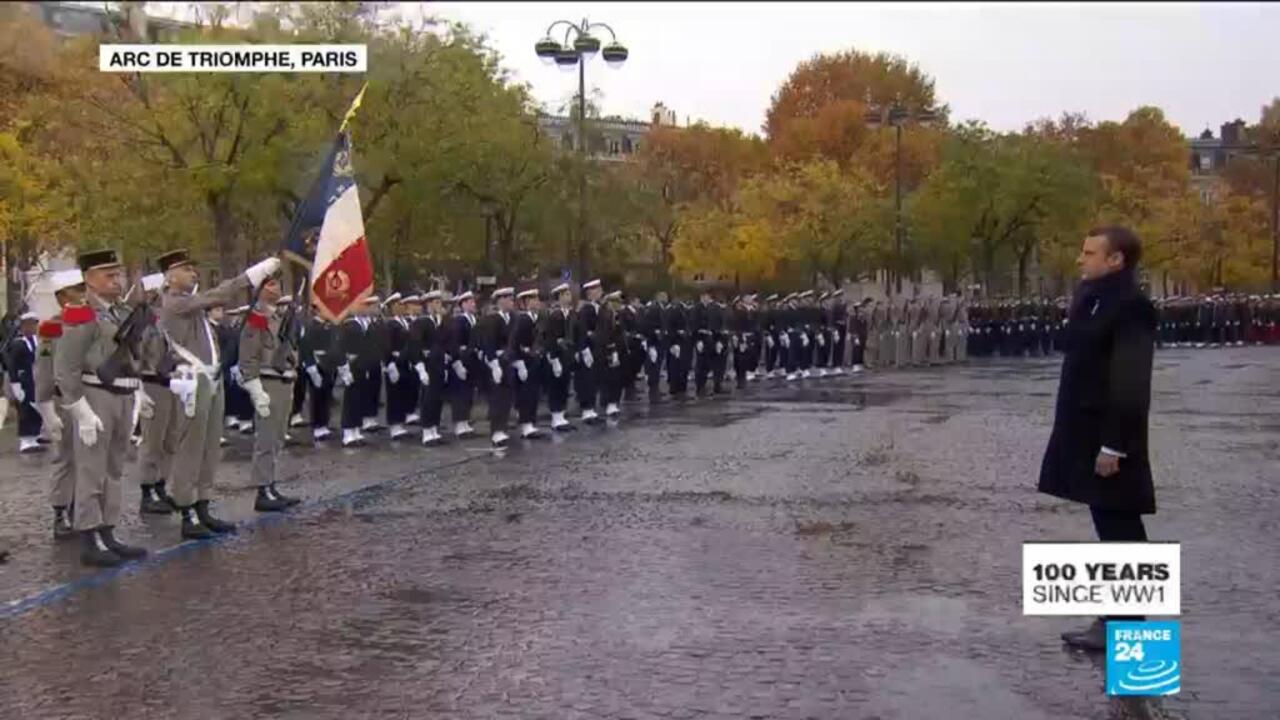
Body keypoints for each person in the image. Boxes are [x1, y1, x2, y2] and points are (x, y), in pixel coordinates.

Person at [1039, 226, 1157, 652]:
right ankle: (1116, 620)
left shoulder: (1130, 307)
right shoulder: (1094, 300)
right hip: (1088, 433)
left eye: (1090, 253)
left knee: (1121, 527)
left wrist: (1115, 445)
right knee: (1110, 526)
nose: (1080, 259)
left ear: (1116, 260)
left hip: (1109, 439)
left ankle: (1131, 635)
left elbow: (1131, 381)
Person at [158, 248, 279, 540]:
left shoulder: (191, 305)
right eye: (186, 270)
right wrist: (251, 276)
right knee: (191, 449)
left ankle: (202, 505)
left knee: (210, 447)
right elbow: (218, 295)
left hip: (210, 378)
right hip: (192, 380)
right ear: (171, 277)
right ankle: (186, 509)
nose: (193, 274)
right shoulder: (174, 303)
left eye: (192, 269)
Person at [54, 249, 149, 566]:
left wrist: (139, 392)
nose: (116, 280)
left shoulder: (121, 313)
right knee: (91, 469)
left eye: (118, 274)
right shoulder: (82, 315)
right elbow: (65, 368)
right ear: (89, 280)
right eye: (108, 275)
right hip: (95, 396)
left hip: (122, 395)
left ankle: (108, 531)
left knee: (114, 469)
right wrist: (80, 411)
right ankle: (89, 535)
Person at [237, 269, 303, 512]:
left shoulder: (278, 318)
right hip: (268, 382)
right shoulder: (257, 317)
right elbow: (248, 354)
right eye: (272, 285)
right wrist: (254, 387)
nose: (277, 289)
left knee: (276, 437)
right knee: (265, 439)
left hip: (284, 381)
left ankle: (270, 484)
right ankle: (262, 490)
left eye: (278, 284)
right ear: (261, 289)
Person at [33, 269, 86, 541]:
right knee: (66, 457)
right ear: (62, 296)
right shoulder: (52, 326)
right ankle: (60, 512)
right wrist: (46, 408)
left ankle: (83, 509)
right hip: (63, 400)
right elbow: (43, 368)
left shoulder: (90, 321)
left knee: (90, 458)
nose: (83, 293)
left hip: (90, 397)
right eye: (77, 289)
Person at [133, 272, 180, 514]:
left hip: (172, 384)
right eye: (164, 290)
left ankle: (162, 485)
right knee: (152, 442)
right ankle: (147, 491)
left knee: (170, 440)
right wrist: (139, 391)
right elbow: (135, 358)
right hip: (151, 383)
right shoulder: (143, 323)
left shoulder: (170, 320)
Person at [408, 290, 450, 446]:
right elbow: (415, 345)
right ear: (429, 304)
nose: (439, 306)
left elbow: (444, 344)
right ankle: (426, 431)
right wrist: (420, 368)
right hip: (427, 366)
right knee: (428, 399)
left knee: (437, 400)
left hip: (439, 365)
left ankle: (434, 429)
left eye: (440, 302)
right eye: (436, 302)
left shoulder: (440, 322)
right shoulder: (421, 322)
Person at [481, 287, 516, 447]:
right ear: (500, 300)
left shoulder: (513, 318)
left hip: (508, 361)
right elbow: (488, 343)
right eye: (508, 299)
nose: (511, 302)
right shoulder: (492, 319)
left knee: (507, 397)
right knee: (497, 398)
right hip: (496, 362)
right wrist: (494, 364)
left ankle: (503, 427)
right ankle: (496, 431)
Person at [510, 288, 546, 440]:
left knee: (533, 393)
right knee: (525, 394)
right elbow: (515, 343)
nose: (537, 302)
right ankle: (526, 425)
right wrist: (518, 362)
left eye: (537, 299)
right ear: (525, 303)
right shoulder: (523, 319)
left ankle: (531, 422)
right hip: (524, 361)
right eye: (533, 300)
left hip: (534, 360)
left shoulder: (535, 318)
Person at [7, 311, 44, 453]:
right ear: (22, 326)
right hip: (24, 381)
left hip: (36, 379)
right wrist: (15, 384)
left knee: (37, 407)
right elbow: (12, 365)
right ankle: (26, 440)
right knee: (26, 410)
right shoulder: (18, 344)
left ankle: (35, 436)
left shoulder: (38, 341)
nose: (32, 327)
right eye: (28, 324)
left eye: (34, 324)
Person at [541, 284, 577, 430]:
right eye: (566, 294)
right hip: (557, 354)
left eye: (569, 294)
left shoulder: (570, 313)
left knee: (564, 384)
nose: (569, 297)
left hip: (567, 354)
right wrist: (554, 358)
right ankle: (556, 416)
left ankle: (561, 415)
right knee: (555, 386)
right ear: (559, 297)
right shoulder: (554, 315)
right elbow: (550, 338)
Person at [447, 291, 480, 439]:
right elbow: (454, 343)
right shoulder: (459, 321)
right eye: (471, 302)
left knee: (468, 392)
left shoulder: (474, 319)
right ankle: (459, 423)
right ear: (463, 304)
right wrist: (457, 361)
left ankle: (465, 421)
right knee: (460, 393)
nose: (474, 304)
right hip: (462, 359)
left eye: (474, 302)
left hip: (473, 361)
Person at [573, 280, 604, 423]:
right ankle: (586, 409)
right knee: (587, 379)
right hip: (588, 348)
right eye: (596, 290)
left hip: (596, 348)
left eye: (599, 289)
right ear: (590, 293)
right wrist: (584, 349)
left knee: (595, 379)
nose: (600, 292)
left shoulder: (598, 307)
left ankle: (591, 408)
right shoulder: (586, 309)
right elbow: (582, 330)